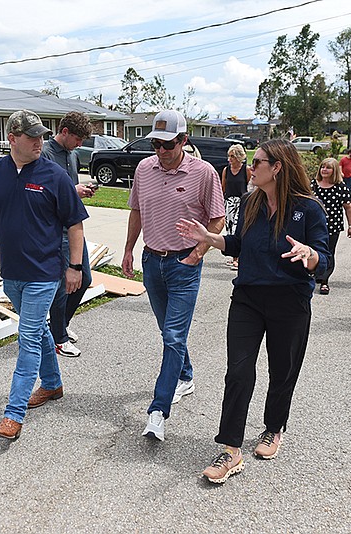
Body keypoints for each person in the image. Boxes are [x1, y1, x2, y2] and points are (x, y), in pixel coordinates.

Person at [176, 139, 329, 484]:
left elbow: (324, 261)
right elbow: (239, 244)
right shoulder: (249, 203)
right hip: (247, 298)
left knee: (282, 369)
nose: (250, 167)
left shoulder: (309, 209)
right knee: (239, 370)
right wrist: (210, 238)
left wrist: (311, 255)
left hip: (290, 301)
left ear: (277, 167)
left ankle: (273, 428)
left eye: (257, 162)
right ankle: (230, 450)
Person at [0, 110, 89, 440]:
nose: (40, 141)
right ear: (13, 139)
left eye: (41, 136)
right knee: (37, 331)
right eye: (32, 136)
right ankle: (52, 385)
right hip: (12, 274)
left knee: (27, 337)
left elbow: (75, 226)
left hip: (45, 273)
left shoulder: (55, 176)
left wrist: (75, 267)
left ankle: (13, 414)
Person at [122, 109, 225, 442]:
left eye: (168, 144)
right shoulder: (144, 169)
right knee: (169, 330)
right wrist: (127, 250)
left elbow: (217, 219)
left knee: (173, 337)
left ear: (183, 140)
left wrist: (197, 254)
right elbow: (137, 211)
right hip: (152, 261)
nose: (161, 151)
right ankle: (186, 375)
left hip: (184, 265)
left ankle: (157, 412)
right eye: (156, 144)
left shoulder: (204, 173)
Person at [41, 111, 95, 358]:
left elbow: (69, 189)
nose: (80, 145)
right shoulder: (44, 154)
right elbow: (40, 191)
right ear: (64, 132)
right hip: (54, 230)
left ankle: (59, 326)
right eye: (78, 139)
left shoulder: (72, 156)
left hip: (73, 226)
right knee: (63, 285)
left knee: (83, 279)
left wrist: (80, 192)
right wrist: (73, 190)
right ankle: (59, 339)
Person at [311, 157, 351, 295]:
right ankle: (315, 274)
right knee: (313, 250)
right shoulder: (313, 184)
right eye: (323, 167)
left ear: (334, 170)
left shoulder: (340, 187)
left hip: (332, 225)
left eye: (328, 167)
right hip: (313, 224)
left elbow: (348, 207)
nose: (324, 170)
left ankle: (324, 280)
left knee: (329, 252)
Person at [221, 143, 251, 270]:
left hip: (242, 202)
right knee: (229, 229)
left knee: (238, 229)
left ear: (239, 157)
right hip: (229, 202)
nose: (230, 159)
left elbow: (250, 187)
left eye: (232, 156)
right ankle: (234, 254)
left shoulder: (246, 170)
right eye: (229, 156)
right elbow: (222, 188)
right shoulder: (226, 170)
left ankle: (237, 259)